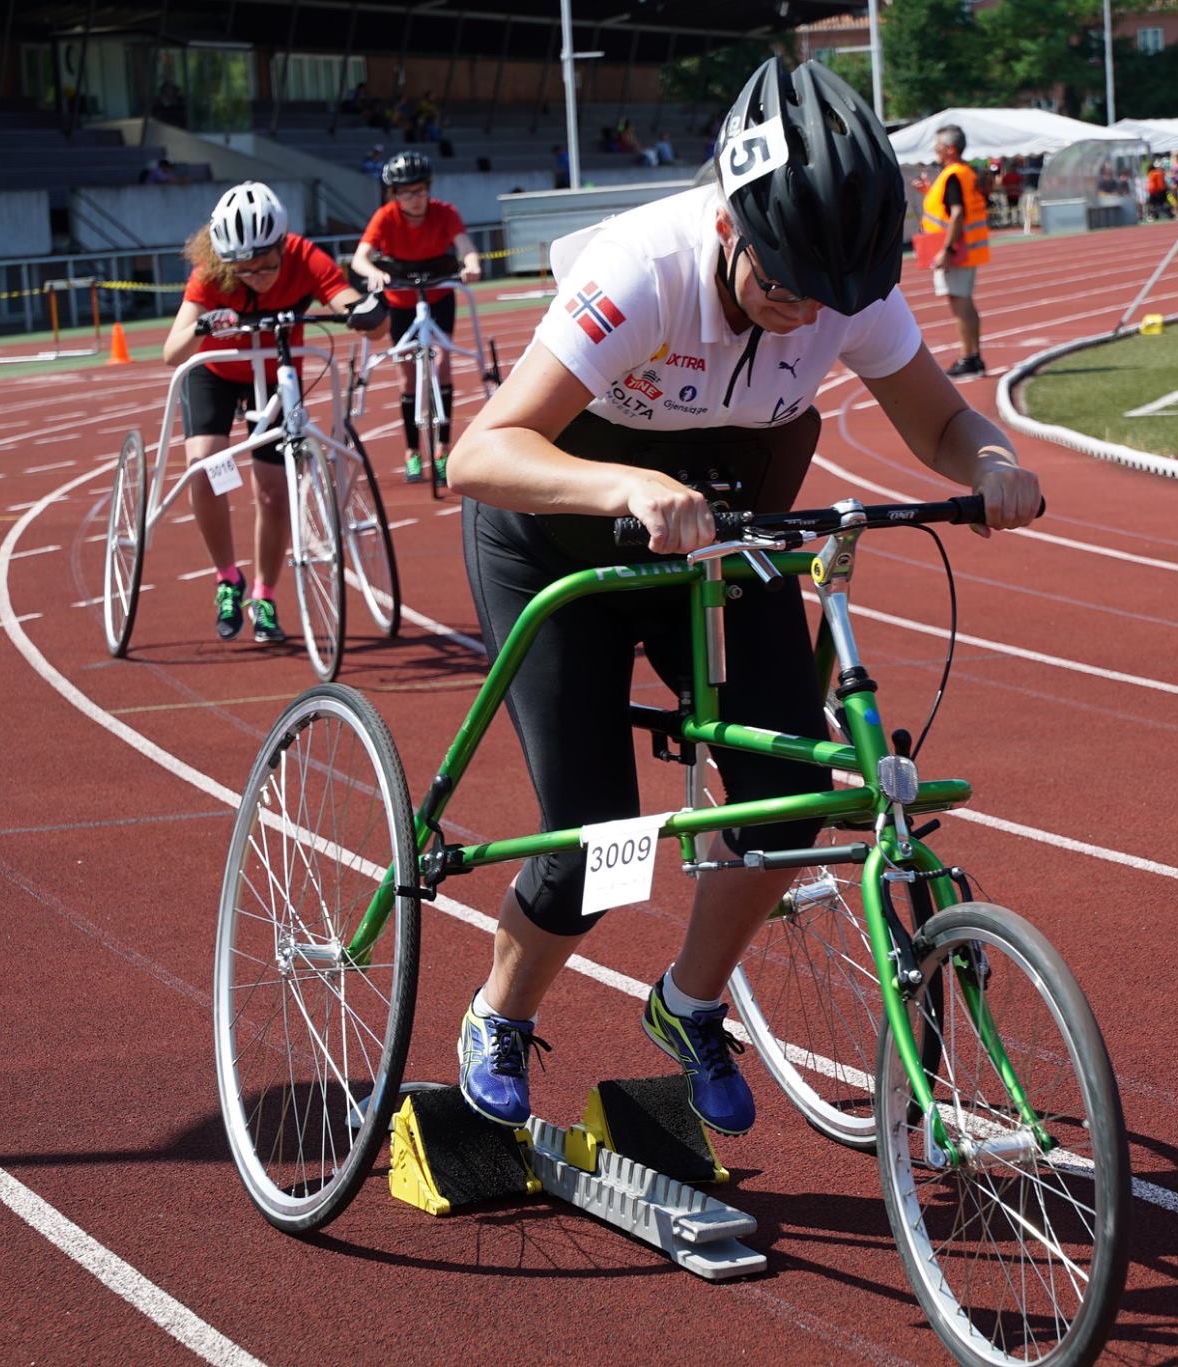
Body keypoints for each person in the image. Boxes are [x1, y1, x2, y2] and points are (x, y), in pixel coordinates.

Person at [442, 59, 1041, 1136]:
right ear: (728, 221)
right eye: (782, 279)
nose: (804, 308)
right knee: (598, 842)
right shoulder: (644, 272)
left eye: (826, 290)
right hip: (560, 541)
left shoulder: (840, 289)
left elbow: (942, 423)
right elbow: (480, 452)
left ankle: (688, 1002)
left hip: (718, 540)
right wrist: (625, 482)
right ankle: (498, 1012)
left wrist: (990, 457)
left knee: (791, 789)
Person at [163, 182, 381, 644]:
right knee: (205, 469)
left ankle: (264, 595)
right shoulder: (211, 272)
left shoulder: (304, 256)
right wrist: (203, 324)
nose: (257, 276)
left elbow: (346, 300)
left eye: (266, 264)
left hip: (277, 371)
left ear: (282, 244)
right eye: (244, 269)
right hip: (217, 373)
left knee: (273, 492)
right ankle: (228, 579)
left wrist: (364, 310)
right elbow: (171, 350)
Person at [351, 150, 482, 483]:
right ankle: (412, 452)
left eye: (420, 190)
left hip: (438, 296)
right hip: (401, 300)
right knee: (406, 376)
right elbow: (359, 259)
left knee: (442, 365)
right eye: (407, 192)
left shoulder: (444, 213)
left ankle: (442, 449)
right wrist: (373, 273)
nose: (415, 198)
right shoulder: (385, 218)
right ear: (395, 195)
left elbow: (464, 245)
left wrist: (471, 263)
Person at [920, 125, 991, 377]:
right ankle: (972, 355)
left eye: (938, 146)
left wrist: (948, 249)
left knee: (960, 302)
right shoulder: (960, 173)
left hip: (956, 249)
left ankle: (970, 356)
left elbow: (957, 213)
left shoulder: (953, 175)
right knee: (963, 300)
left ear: (949, 149)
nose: (935, 150)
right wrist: (928, 192)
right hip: (964, 248)